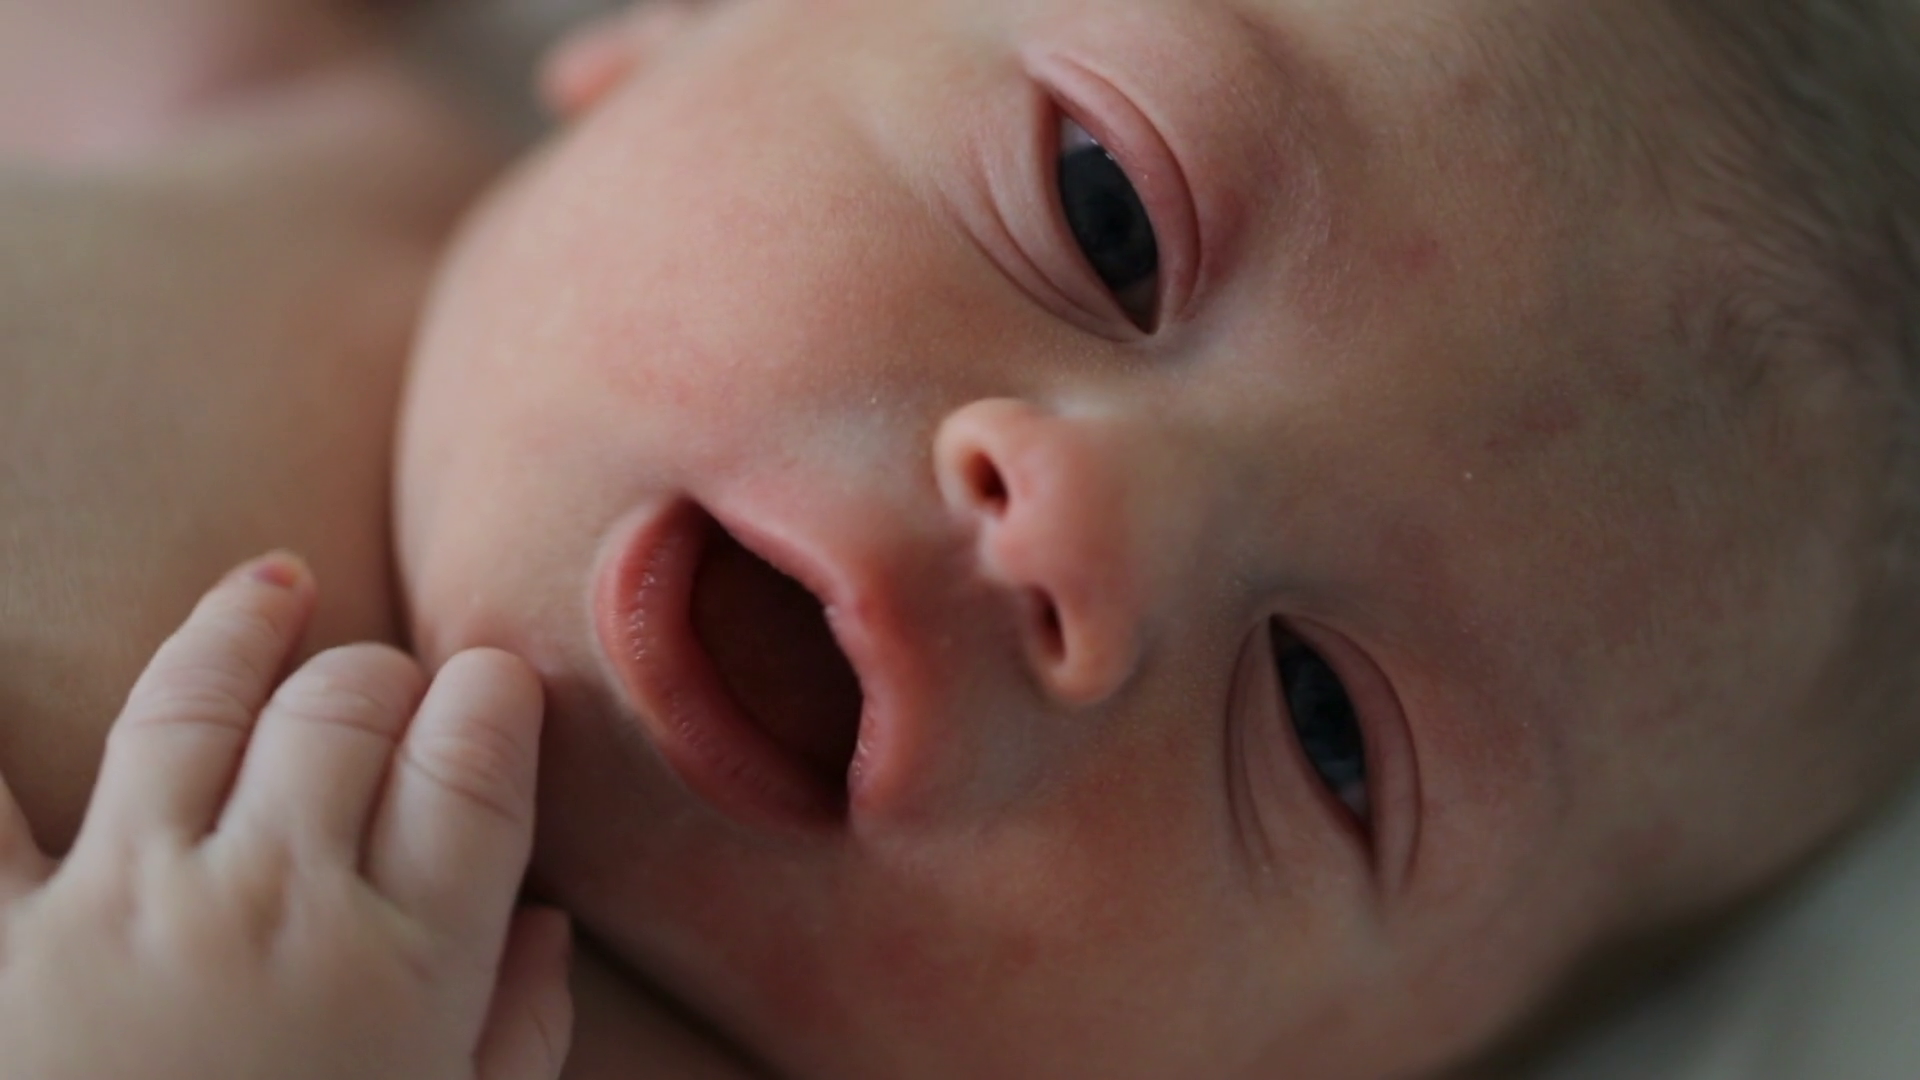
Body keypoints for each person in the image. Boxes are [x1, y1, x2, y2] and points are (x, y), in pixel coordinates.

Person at [5, 1, 1919, 1079]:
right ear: (689, 33)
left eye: (1331, 730)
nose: (1087, 532)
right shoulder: (302, 117)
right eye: (1106, 206)